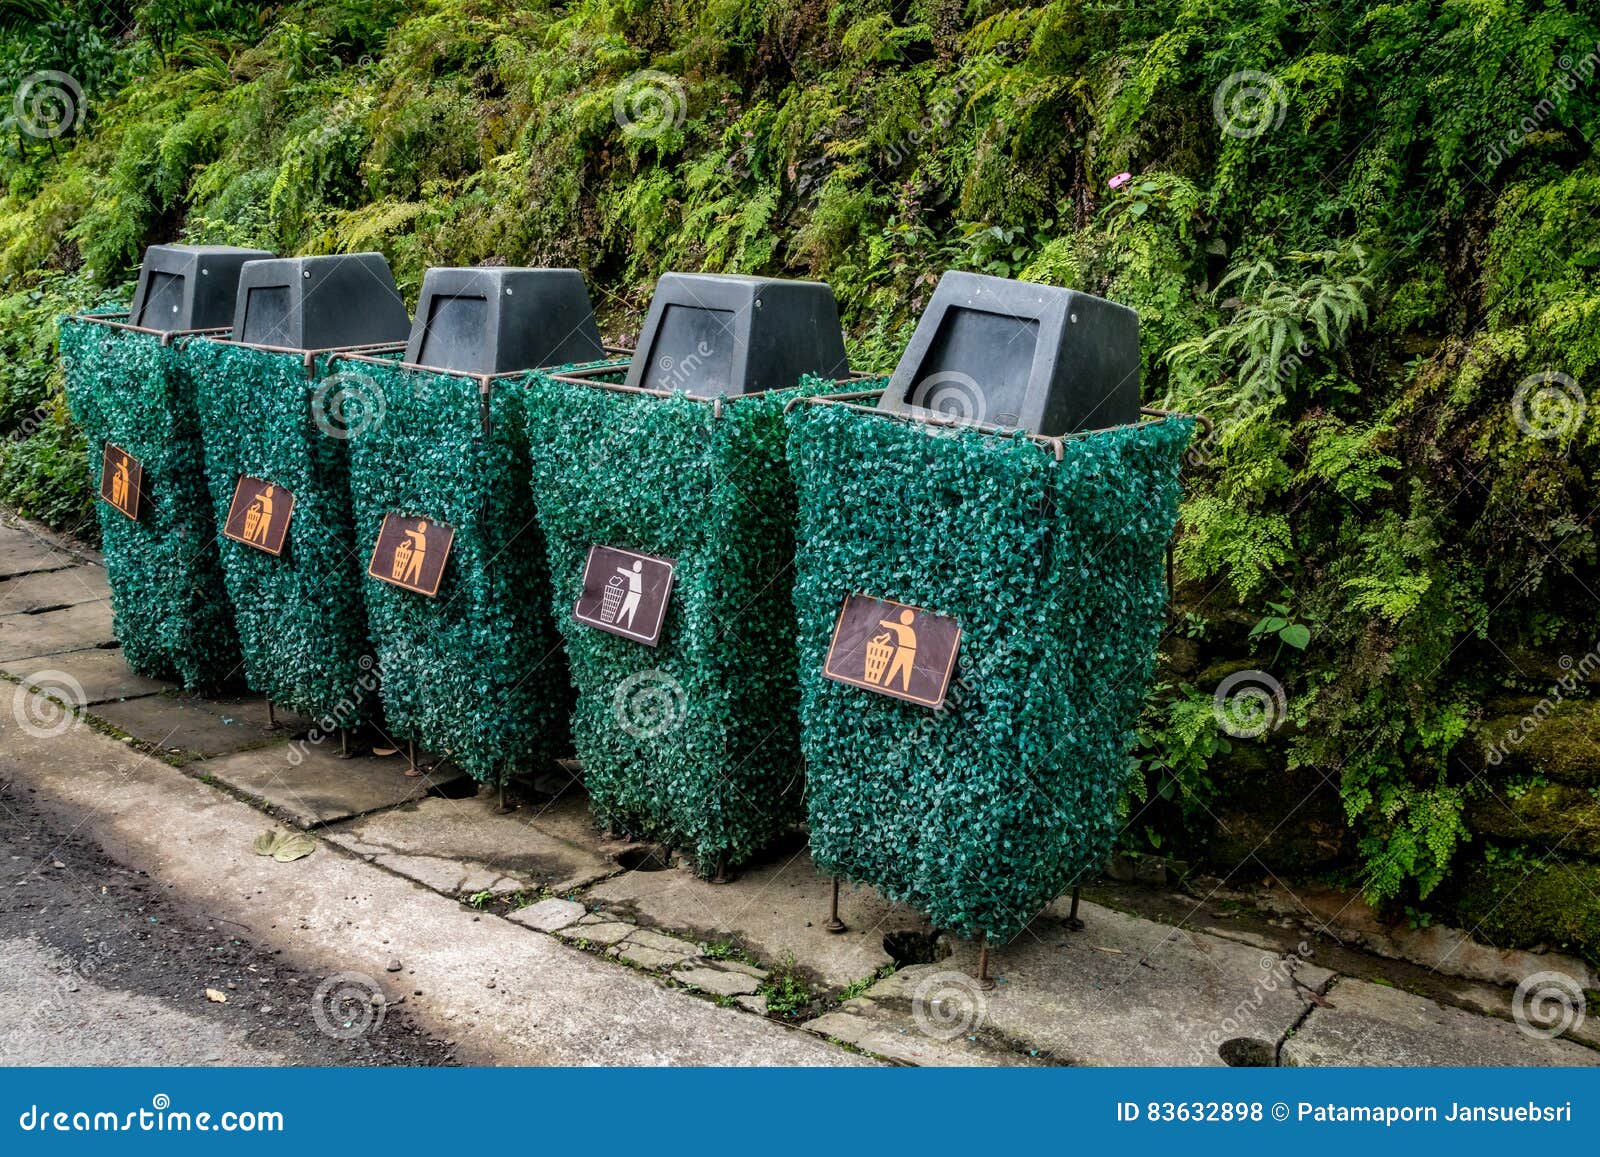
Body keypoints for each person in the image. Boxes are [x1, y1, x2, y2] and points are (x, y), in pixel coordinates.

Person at [878, 607, 918, 691]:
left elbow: (894, 626)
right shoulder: (909, 629)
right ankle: (889, 684)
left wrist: (882, 622)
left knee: (900, 668)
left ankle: (903, 688)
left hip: (907, 650)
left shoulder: (905, 628)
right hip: (907, 650)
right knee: (900, 668)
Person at [616, 560, 644, 628]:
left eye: (638, 566)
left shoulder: (636, 575)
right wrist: (618, 568)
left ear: (641, 568)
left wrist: (618, 568)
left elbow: (626, 572)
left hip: (637, 594)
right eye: (635, 565)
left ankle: (629, 626)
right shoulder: (632, 574)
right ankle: (617, 621)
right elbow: (625, 572)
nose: (636, 567)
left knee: (632, 610)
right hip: (631, 592)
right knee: (624, 607)